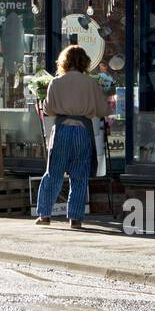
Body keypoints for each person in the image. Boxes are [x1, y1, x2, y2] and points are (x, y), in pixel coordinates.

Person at [36, 44, 109, 229]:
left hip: (62, 130)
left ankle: (45, 214)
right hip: (83, 131)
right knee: (79, 176)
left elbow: (48, 109)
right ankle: (75, 218)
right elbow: (102, 110)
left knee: (53, 173)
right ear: (85, 62)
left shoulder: (56, 82)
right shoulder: (91, 83)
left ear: (64, 62)